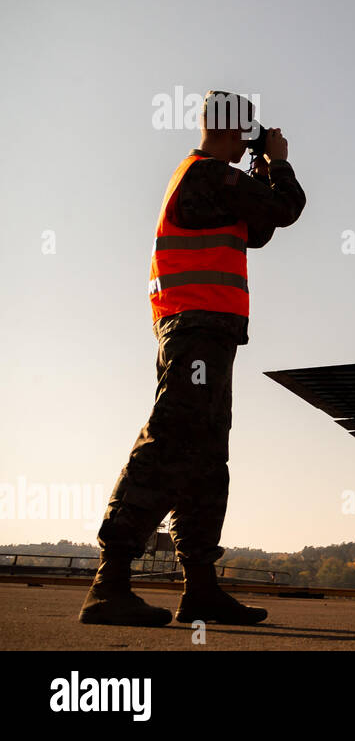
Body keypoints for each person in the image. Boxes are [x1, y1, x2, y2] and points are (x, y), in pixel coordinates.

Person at [79, 91, 307, 627]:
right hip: (195, 331)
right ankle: (109, 582)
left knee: (206, 459)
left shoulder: (214, 181)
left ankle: (200, 587)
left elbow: (259, 230)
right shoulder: (206, 175)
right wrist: (278, 162)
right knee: (170, 442)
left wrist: (259, 169)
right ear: (236, 130)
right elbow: (286, 209)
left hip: (208, 333)